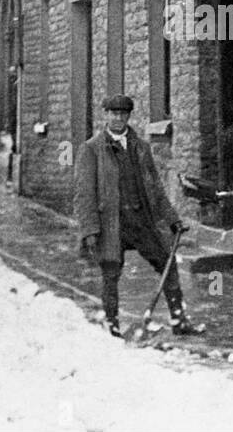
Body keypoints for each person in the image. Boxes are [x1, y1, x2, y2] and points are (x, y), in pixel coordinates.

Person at [74, 95, 201, 338]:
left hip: (141, 221)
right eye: (113, 113)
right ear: (106, 116)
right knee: (111, 274)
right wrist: (90, 229)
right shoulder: (91, 149)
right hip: (110, 223)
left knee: (168, 263)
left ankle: (179, 320)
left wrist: (173, 218)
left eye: (123, 114)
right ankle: (112, 326)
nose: (118, 118)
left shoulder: (140, 147)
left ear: (129, 116)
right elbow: (84, 194)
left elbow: (155, 188)